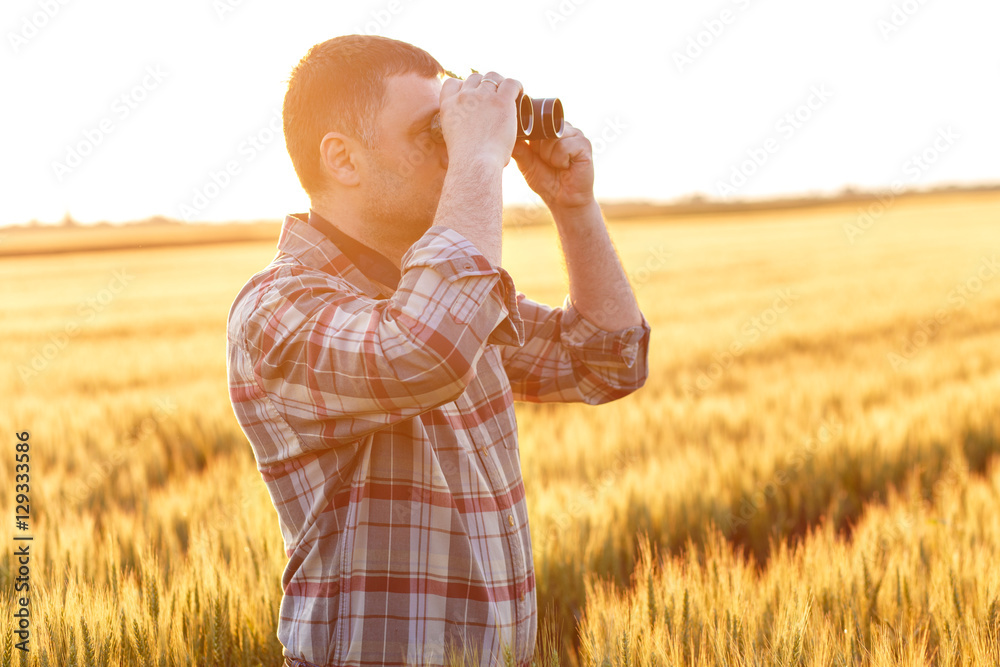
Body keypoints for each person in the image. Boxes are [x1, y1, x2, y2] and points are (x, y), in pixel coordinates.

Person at [226, 34, 650, 667]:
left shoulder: (440, 291)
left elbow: (607, 360)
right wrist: (480, 157)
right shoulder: (276, 309)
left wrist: (572, 206)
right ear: (343, 159)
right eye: (433, 132)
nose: (454, 152)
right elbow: (425, 350)